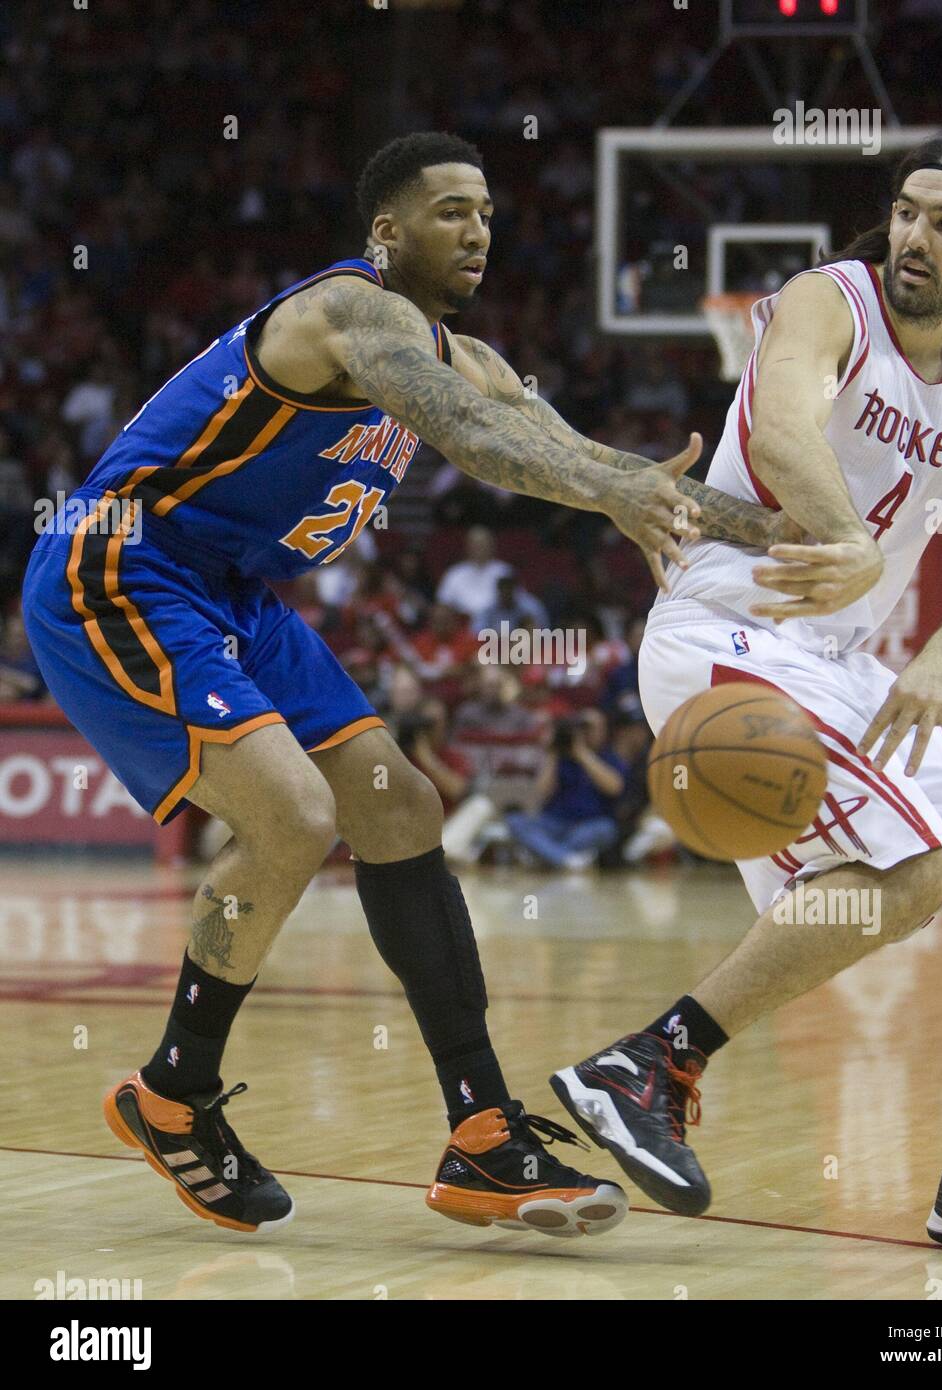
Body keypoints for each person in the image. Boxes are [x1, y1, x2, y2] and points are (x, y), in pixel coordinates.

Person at [21, 131, 789, 1240]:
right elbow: (477, 439)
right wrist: (606, 495)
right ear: (387, 232)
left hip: (233, 588)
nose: (478, 229)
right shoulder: (347, 312)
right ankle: (173, 1094)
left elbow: (603, 464)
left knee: (401, 804)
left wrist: (781, 534)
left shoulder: (461, 356)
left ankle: (481, 1133)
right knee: (294, 815)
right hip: (126, 559)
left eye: (486, 211)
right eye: (450, 210)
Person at [550, 129, 942, 1257]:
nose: (915, 236)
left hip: (845, 661)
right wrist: (849, 537)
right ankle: (651, 1061)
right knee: (914, 864)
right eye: (906, 212)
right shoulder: (825, 299)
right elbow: (783, 418)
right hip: (730, 620)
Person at [506, 708, 627, 869]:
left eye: (591, 727)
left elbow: (615, 788)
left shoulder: (610, 757)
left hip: (588, 826)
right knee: (515, 821)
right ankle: (566, 860)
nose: (586, 732)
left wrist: (582, 753)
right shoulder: (558, 757)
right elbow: (541, 793)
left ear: (604, 731)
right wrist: (552, 752)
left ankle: (547, 855)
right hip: (553, 823)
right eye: (582, 727)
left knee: (607, 829)